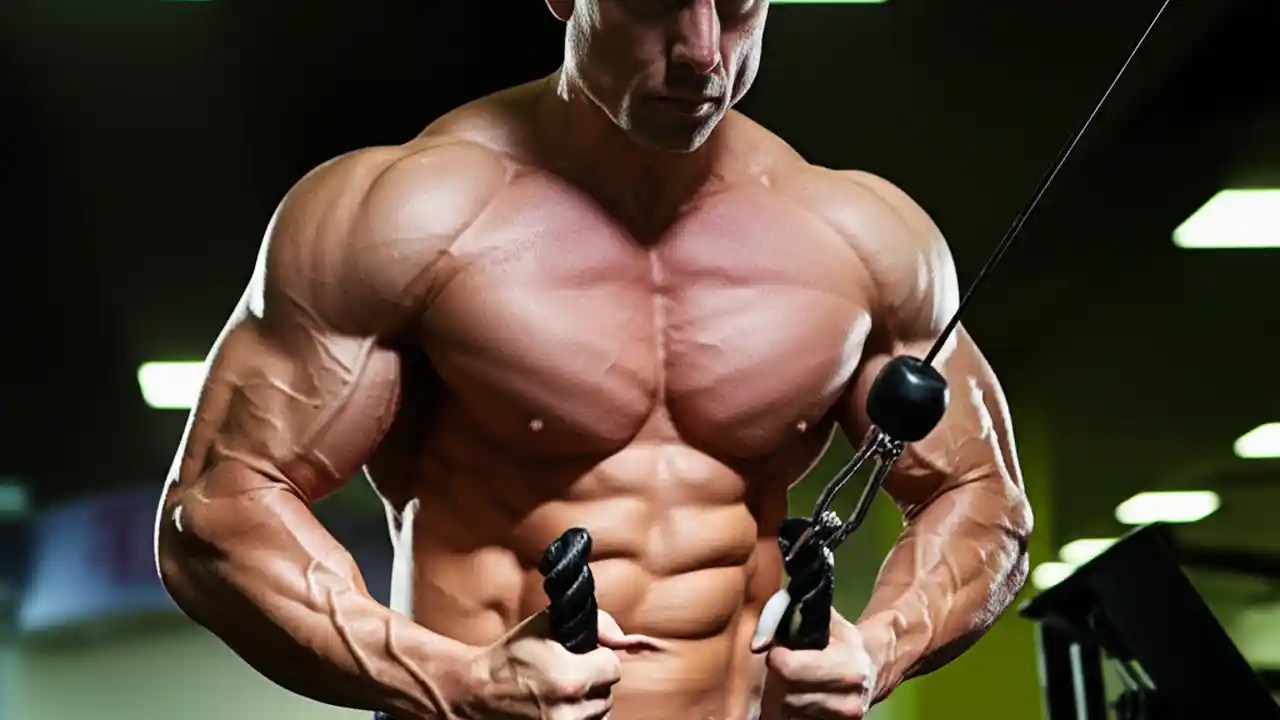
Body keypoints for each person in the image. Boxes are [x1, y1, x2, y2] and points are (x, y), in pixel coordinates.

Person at [153, 1, 1033, 718]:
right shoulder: (406, 215)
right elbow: (216, 514)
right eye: (656, 5)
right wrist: (450, 683)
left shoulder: (862, 239)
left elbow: (982, 496)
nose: (703, 54)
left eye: (736, 7)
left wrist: (879, 649)